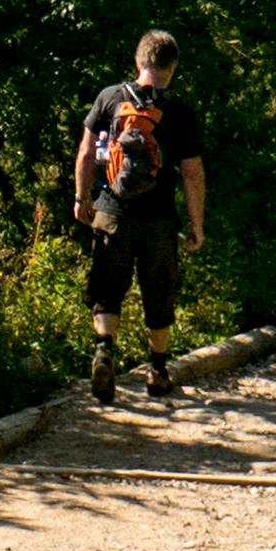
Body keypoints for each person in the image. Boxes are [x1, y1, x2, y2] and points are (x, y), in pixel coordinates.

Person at [72, 27, 206, 405]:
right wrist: (197, 225)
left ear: (138, 61)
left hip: (111, 212)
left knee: (106, 288)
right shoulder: (178, 111)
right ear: (173, 67)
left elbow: (85, 153)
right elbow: (192, 173)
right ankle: (158, 370)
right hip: (160, 219)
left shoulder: (109, 98)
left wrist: (82, 198)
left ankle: (103, 352)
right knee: (159, 291)